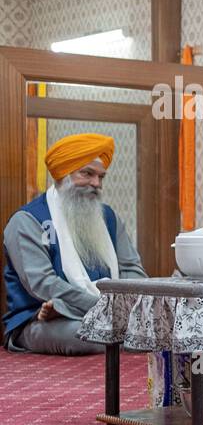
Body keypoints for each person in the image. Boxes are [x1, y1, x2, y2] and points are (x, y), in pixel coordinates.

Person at [3, 133, 147, 355]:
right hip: (39, 320)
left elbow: (131, 269)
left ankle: (119, 327)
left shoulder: (108, 217)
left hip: (106, 312)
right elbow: (42, 284)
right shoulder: (27, 221)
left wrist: (129, 304)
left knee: (135, 330)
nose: (96, 184)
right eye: (87, 173)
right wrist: (104, 308)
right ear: (63, 174)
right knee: (88, 335)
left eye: (101, 177)